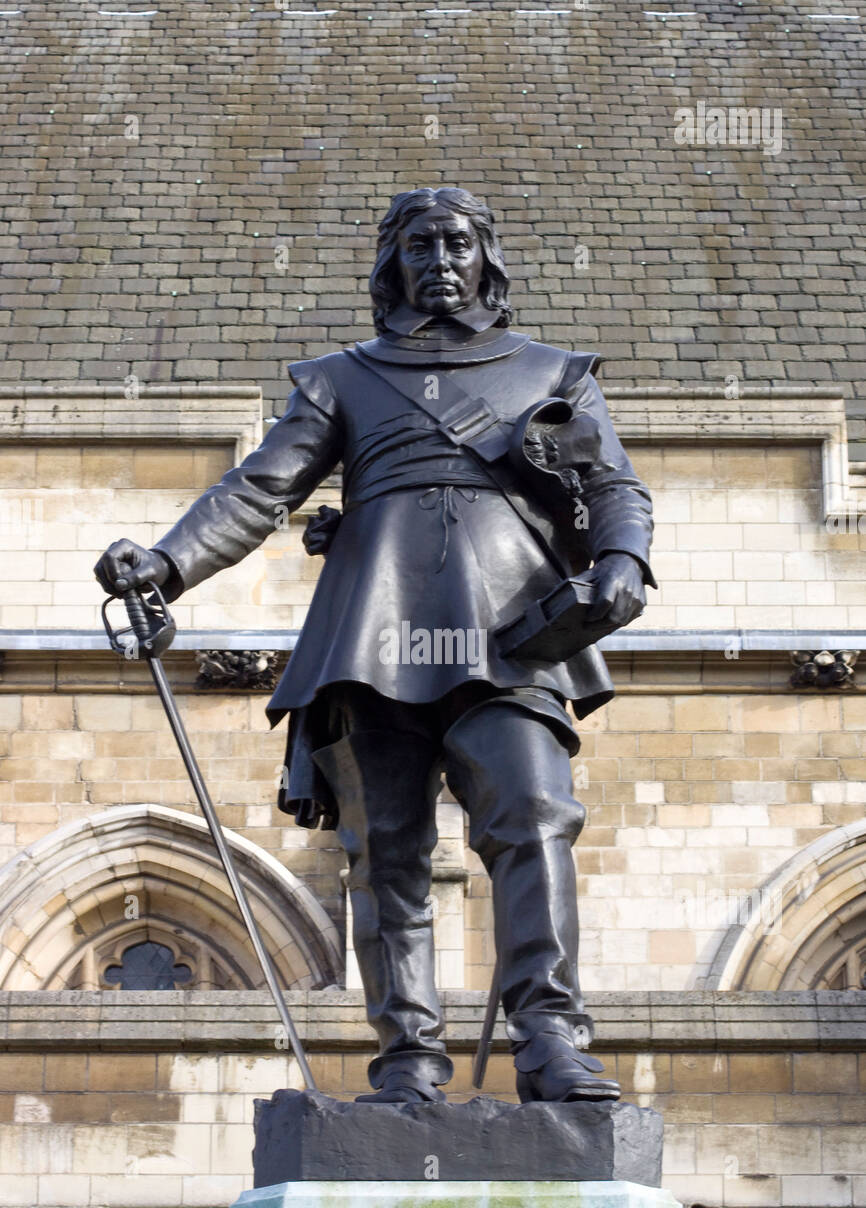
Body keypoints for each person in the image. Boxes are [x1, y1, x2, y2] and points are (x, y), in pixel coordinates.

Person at [96, 186, 655, 1105]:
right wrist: (165, 562)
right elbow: (255, 491)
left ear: (487, 260)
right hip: (373, 634)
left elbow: (616, 486)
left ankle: (551, 1039)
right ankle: (407, 1062)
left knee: (533, 816)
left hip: (512, 634)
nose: (440, 261)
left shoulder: (553, 373)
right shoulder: (343, 378)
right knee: (383, 850)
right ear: (392, 265)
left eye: (458, 244)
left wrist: (627, 558)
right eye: (420, 246)